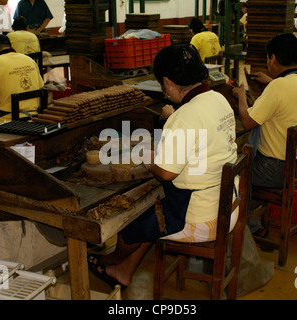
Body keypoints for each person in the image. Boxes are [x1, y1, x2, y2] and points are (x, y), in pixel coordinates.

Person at [88, 43, 239, 287]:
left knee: (134, 223)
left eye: (161, 84)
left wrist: (149, 163)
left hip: (200, 218)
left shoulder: (184, 116)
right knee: (153, 215)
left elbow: (166, 173)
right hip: (227, 205)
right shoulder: (218, 99)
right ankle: (123, 271)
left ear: (168, 83)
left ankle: (111, 259)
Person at [233, 33, 297, 236]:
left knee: (232, 174)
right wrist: (271, 81)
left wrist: (241, 96)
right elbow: (287, 94)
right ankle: (253, 221)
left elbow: (247, 122)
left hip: (275, 170)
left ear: (272, 59)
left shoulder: (277, 87)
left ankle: (244, 229)